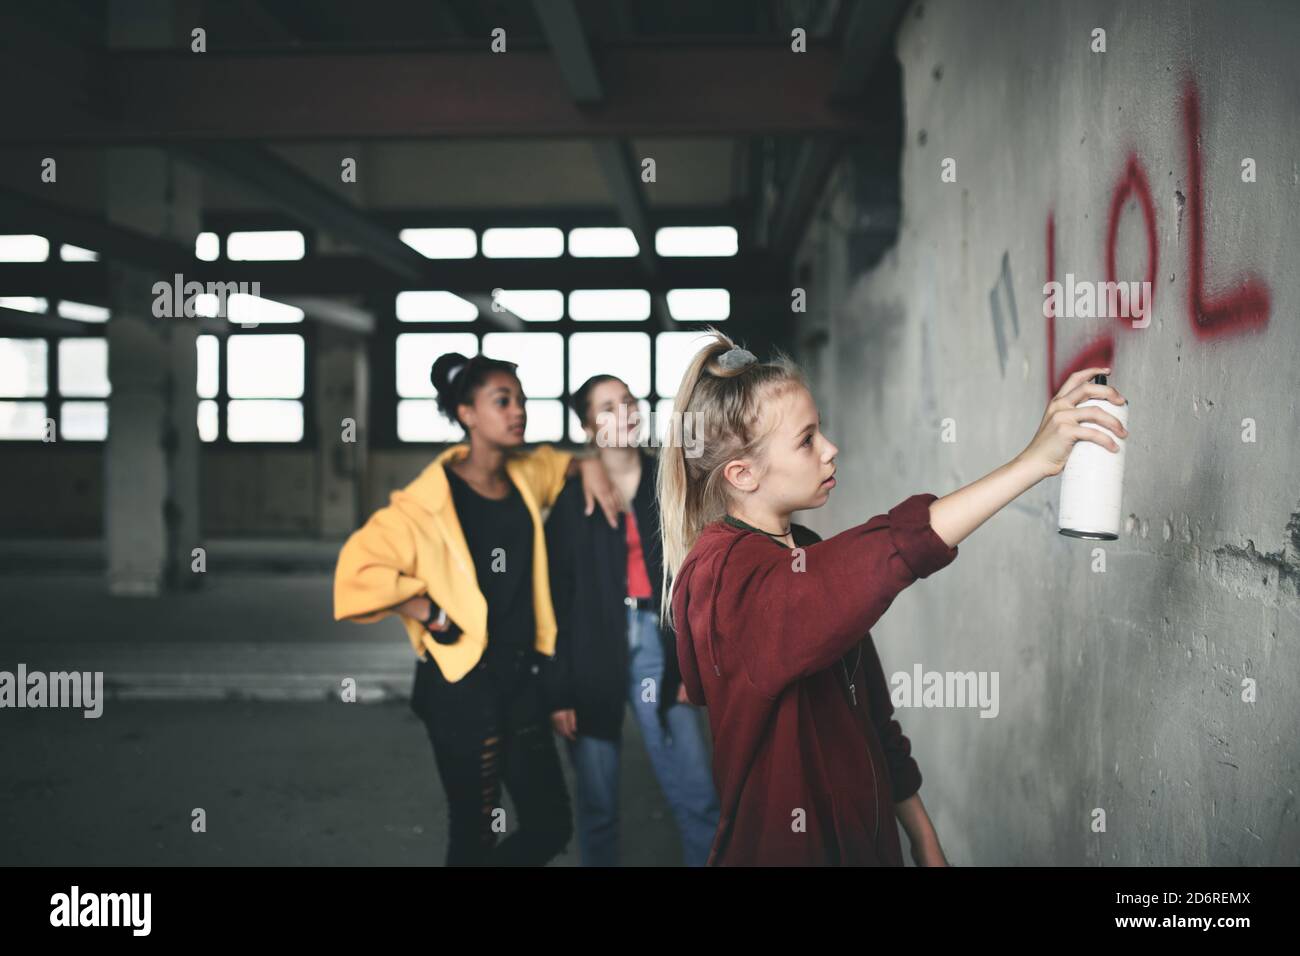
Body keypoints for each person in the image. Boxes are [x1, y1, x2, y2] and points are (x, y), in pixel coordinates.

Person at [658, 329, 1129, 866]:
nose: (830, 448)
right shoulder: (724, 583)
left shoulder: (805, 551)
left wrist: (922, 835)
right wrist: (1031, 464)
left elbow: (872, 717)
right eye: (807, 439)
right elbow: (887, 553)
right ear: (742, 474)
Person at [333, 351, 626, 865]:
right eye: (502, 401)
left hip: (520, 679)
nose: (519, 411)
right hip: (460, 687)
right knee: (473, 832)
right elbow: (356, 571)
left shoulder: (523, 475)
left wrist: (591, 466)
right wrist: (428, 612)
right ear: (467, 414)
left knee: (550, 824)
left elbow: (565, 462)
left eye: (521, 400)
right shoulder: (426, 502)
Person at [542, 374, 721, 866]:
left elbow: (697, 576)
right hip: (592, 650)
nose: (624, 412)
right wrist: (558, 689)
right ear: (587, 426)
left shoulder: (671, 480)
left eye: (628, 400)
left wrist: (691, 664)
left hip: (661, 643)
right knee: (597, 806)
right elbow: (554, 597)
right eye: (606, 407)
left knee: (698, 795)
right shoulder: (567, 500)